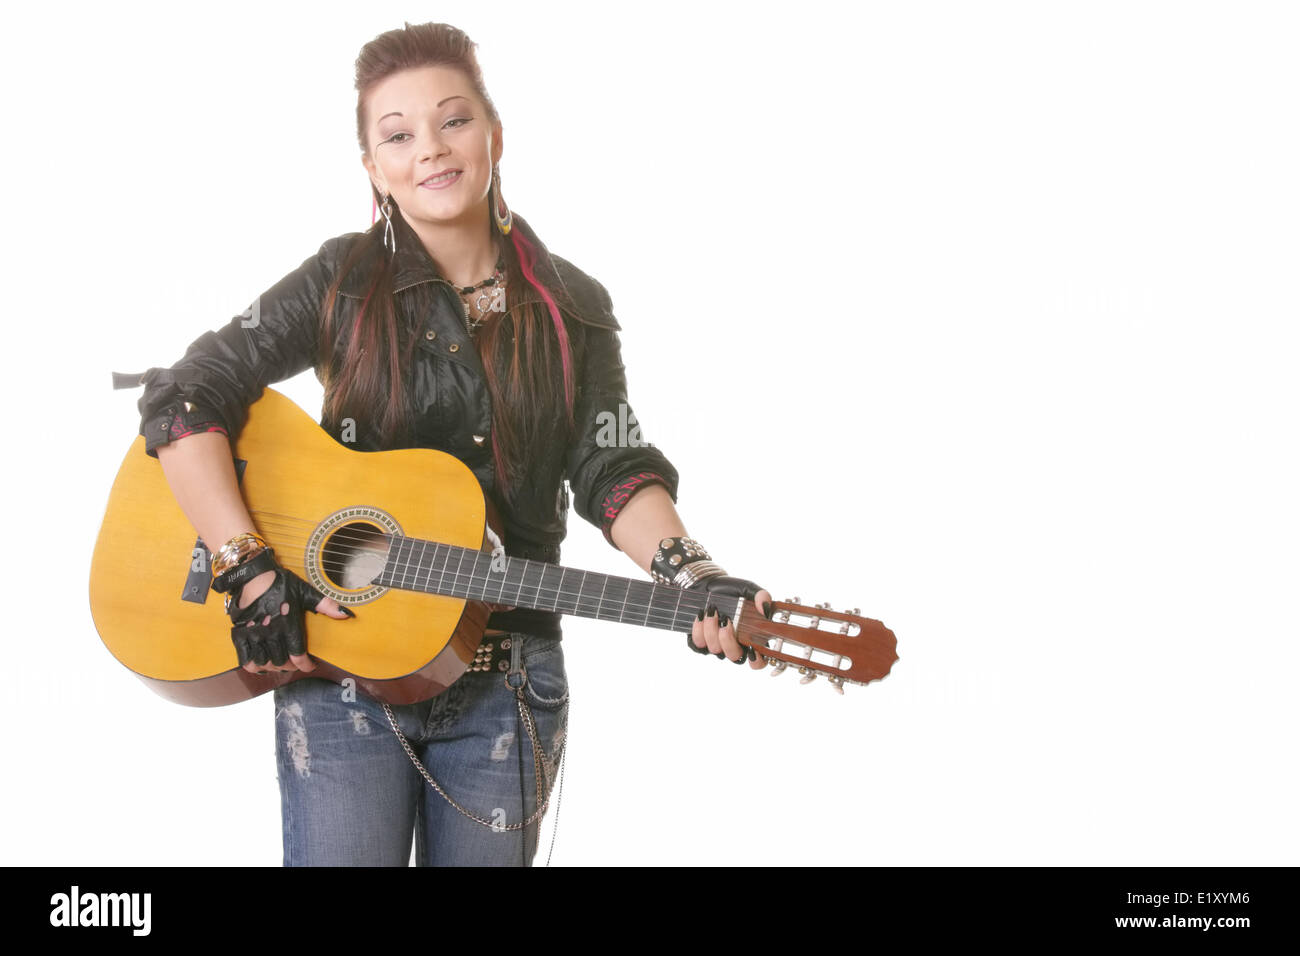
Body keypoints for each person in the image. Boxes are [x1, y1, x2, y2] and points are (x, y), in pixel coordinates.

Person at [136, 21, 772, 866]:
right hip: (342, 671)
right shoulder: (337, 281)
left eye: (453, 121)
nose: (429, 149)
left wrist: (694, 575)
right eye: (396, 135)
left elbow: (611, 466)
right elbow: (185, 397)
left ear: (495, 134)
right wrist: (244, 559)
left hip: (508, 682)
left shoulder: (573, 305)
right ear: (372, 167)